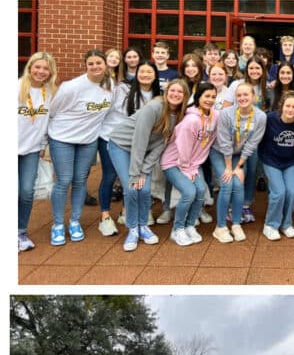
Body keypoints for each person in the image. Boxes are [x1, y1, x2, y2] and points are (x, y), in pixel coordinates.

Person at [107, 79, 187, 251]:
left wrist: (144, 170)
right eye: (172, 90)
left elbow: (161, 144)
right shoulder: (154, 108)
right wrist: (136, 174)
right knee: (131, 188)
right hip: (121, 145)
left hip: (144, 153)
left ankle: (143, 226)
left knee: (144, 189)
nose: (175, 94)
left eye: (180, 92)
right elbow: (139, 141)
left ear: (185, 96)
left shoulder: (179, 116)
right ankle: (132, 229)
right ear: (167, 92)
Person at [46, 49, 113, 246]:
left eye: (98, 63)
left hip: (88, 140)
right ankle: (57, 224)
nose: (95, 67)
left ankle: (75, 221)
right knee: (64, 180)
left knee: (80, 180)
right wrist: (44, 141)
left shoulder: (110, 87)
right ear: (86, 65)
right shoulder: (71, 87)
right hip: (62, 138)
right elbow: (53, 111)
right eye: (91, 63)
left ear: (105, 65)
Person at [161, 81, 218, 246]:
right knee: (189, 192)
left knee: (201, 190)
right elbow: (183, 148)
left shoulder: (214, 116)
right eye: (206, 96)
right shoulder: (191, 120)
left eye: (213, 96)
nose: (210, 99)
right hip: (174, 162)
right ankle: (177, 229)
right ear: (198, 97)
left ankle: (190, 225)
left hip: (192, 164)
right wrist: (188, 171)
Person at [210, 83, 265, 243]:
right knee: (227, 184)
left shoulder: (260, 116)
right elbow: (224, 142)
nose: (242, 98)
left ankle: (235, 224)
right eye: (239, 95)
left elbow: (252, 144)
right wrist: (229, 168)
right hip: (220, 152)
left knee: (239, 184)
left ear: (253, 96)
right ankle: (220, 227)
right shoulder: (226, 113)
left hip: (239, 155)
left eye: (246, 95)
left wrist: (239, 166)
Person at [18, 51, 58, 252]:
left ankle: (21, 231)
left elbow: (46, 123)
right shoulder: (16, 88)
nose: (41, 71)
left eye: (45, 68)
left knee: (26, 191)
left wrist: (43, 146)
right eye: (37, 67)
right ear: (30, 67)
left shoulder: (50, 93)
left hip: (32, 150)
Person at [259, 90, 294, 241]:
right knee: (279, 192)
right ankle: (270, 225)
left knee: (291, 192)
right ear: (282, 106)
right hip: (271, 160)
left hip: (290, 162)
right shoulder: (270, 119)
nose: (290, 110)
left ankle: (286, 223)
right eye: (288, 106)